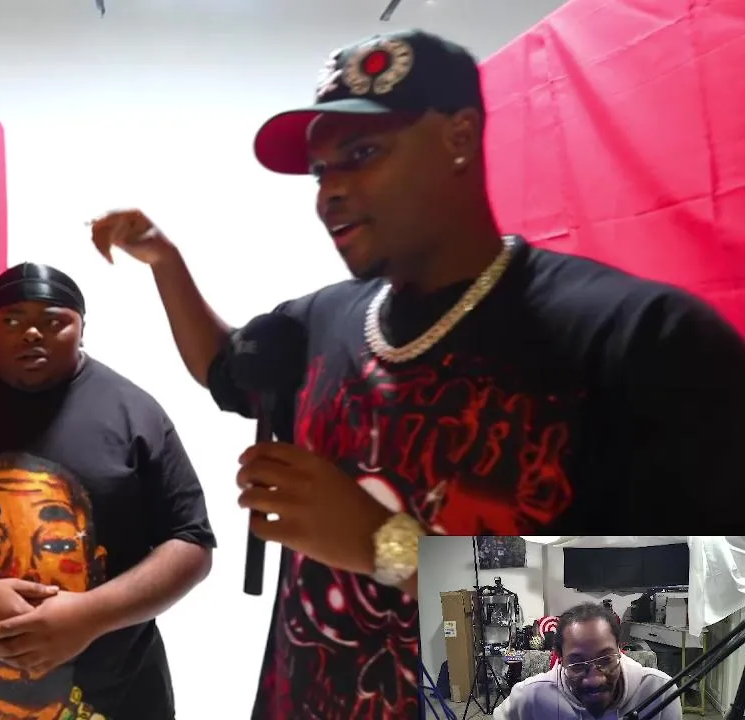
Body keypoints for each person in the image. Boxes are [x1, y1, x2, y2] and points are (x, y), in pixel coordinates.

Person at [89, 28, 745, 720]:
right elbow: (225, 368)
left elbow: (699, 647)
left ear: (459, 136)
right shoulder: (323, 319)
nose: (329, 193)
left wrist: (387, 546)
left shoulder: (642, 339)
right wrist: (165, 262)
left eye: (362, 154)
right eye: (320, 171)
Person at [0, 262, 216, 720]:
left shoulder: (134, 415)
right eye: (12, 320)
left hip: (118, 695)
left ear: (82, 327)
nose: (31, 333)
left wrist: (91, 614)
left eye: (53, 321)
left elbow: (192, 542)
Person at [496, 602, 680, 719]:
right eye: (577, 664)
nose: (595, 679)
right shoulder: (530, 696)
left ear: (619, 649)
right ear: (561, 660)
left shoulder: (660, 691)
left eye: (606, 659)